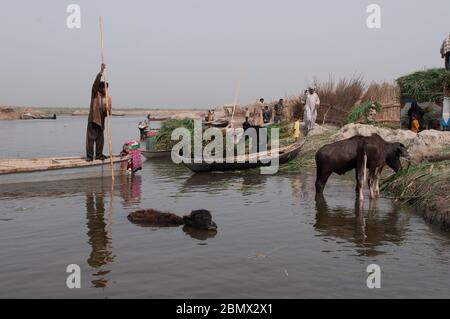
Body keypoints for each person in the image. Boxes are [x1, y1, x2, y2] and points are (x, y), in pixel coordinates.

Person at [86, 63, 112, 161]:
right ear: (100, 88)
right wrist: (101, 72)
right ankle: (89, 156)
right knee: (90, 139)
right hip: (93, 120)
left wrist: (108, 110)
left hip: (101, 122)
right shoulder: (95, 94)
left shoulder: (107, 98)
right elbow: (95, 84)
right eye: (105, 88)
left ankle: (98, 155)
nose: (106, 90)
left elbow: (107, 113)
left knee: (100, 140)